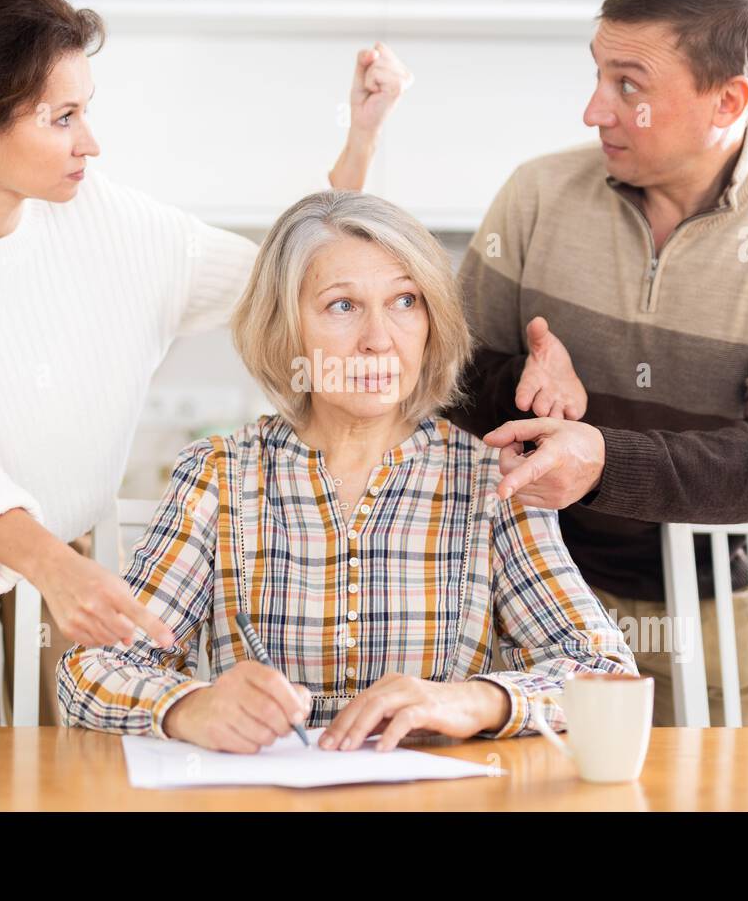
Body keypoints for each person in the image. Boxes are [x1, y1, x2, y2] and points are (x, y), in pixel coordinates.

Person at [0, 0, 412, 725]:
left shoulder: (114, 226)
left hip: (70, 556)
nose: (90, 143)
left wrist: (359, 142)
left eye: (85, 111)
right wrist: (55, 568)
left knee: (65, 774)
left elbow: (284, 284)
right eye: (62, 117)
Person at [451, 0, 748, 726]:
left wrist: (604, 459)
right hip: (525, 595)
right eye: (597, 76)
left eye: (628, 86)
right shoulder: (536, 196)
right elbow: (447, 379)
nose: (593, 111)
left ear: (728, 99)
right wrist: (525, 381)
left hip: (711, 620)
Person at [58, 190, 635, 751]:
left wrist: (472, 702)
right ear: (287, 330)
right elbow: (91, 670)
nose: (379, 340)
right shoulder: (219, 476)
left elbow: (604, 673)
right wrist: (188, 706)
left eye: (405, 301)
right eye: (342, 306)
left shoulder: (492, 481)